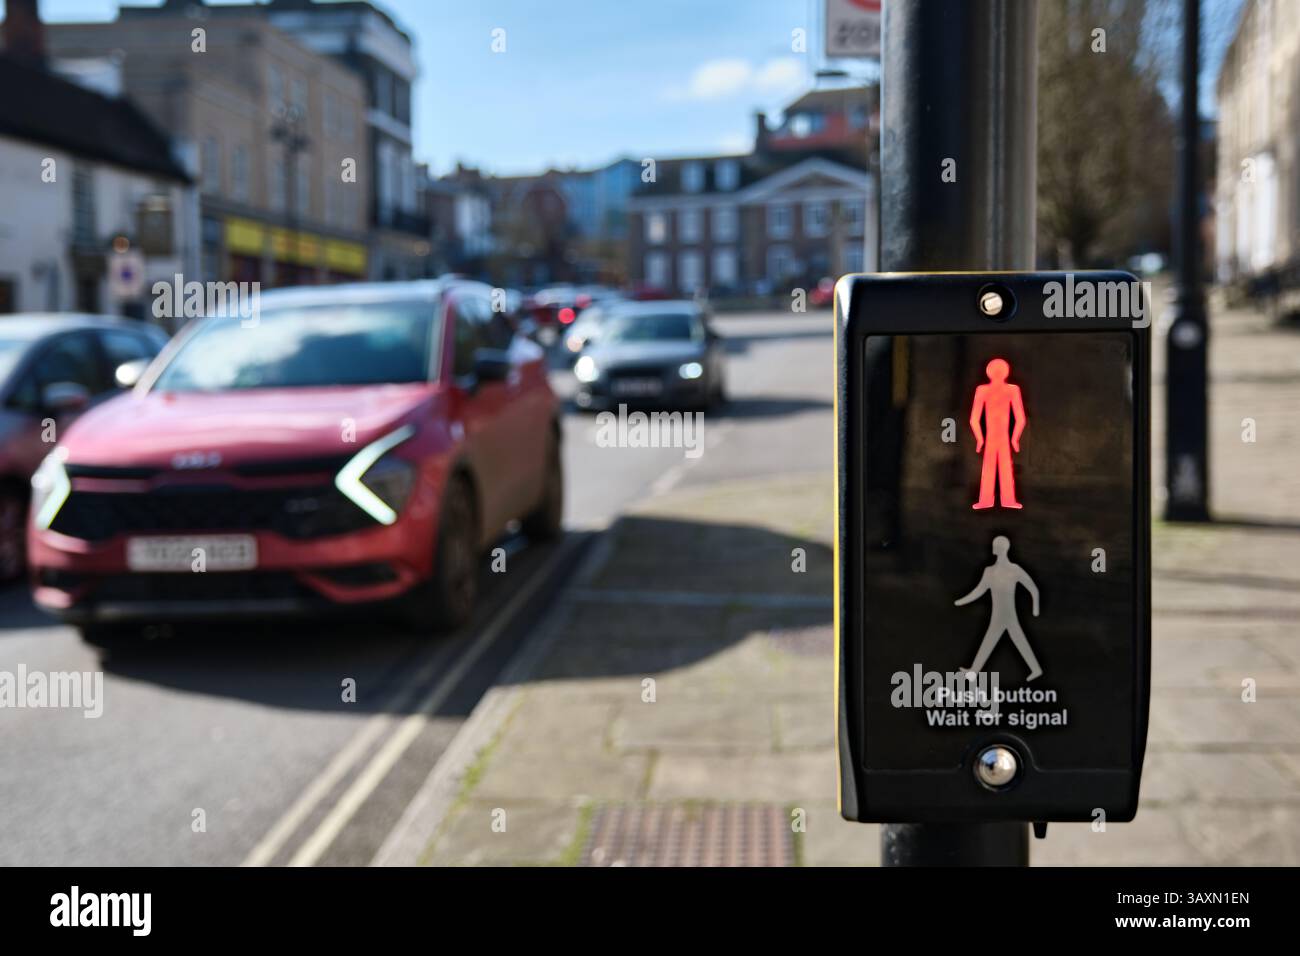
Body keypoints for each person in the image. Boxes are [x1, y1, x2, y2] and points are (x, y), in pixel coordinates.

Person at [954, 535, 1042, 680]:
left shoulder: (1014, 570)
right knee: (991, 641)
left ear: (1001, 549)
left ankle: (1035, 669)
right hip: (998, 616)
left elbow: (1033, 589)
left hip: (1009, 616)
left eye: (997, 545)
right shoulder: (989, 571)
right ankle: (974, 672)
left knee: (1016, 641)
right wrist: (962, 601)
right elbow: (978, 591)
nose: (994, 548)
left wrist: (1035, 609)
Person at [969, 357, 1026, 509]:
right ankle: (1005, 500)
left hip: (994, 437)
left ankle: (990, 500)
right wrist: (1015, 438)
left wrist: (980, 438)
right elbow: (1020, 419)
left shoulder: (984, 390)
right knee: (1004, 468)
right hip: (1000, 437)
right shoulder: (1011, 390)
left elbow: (974, 419)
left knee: (991, 468)